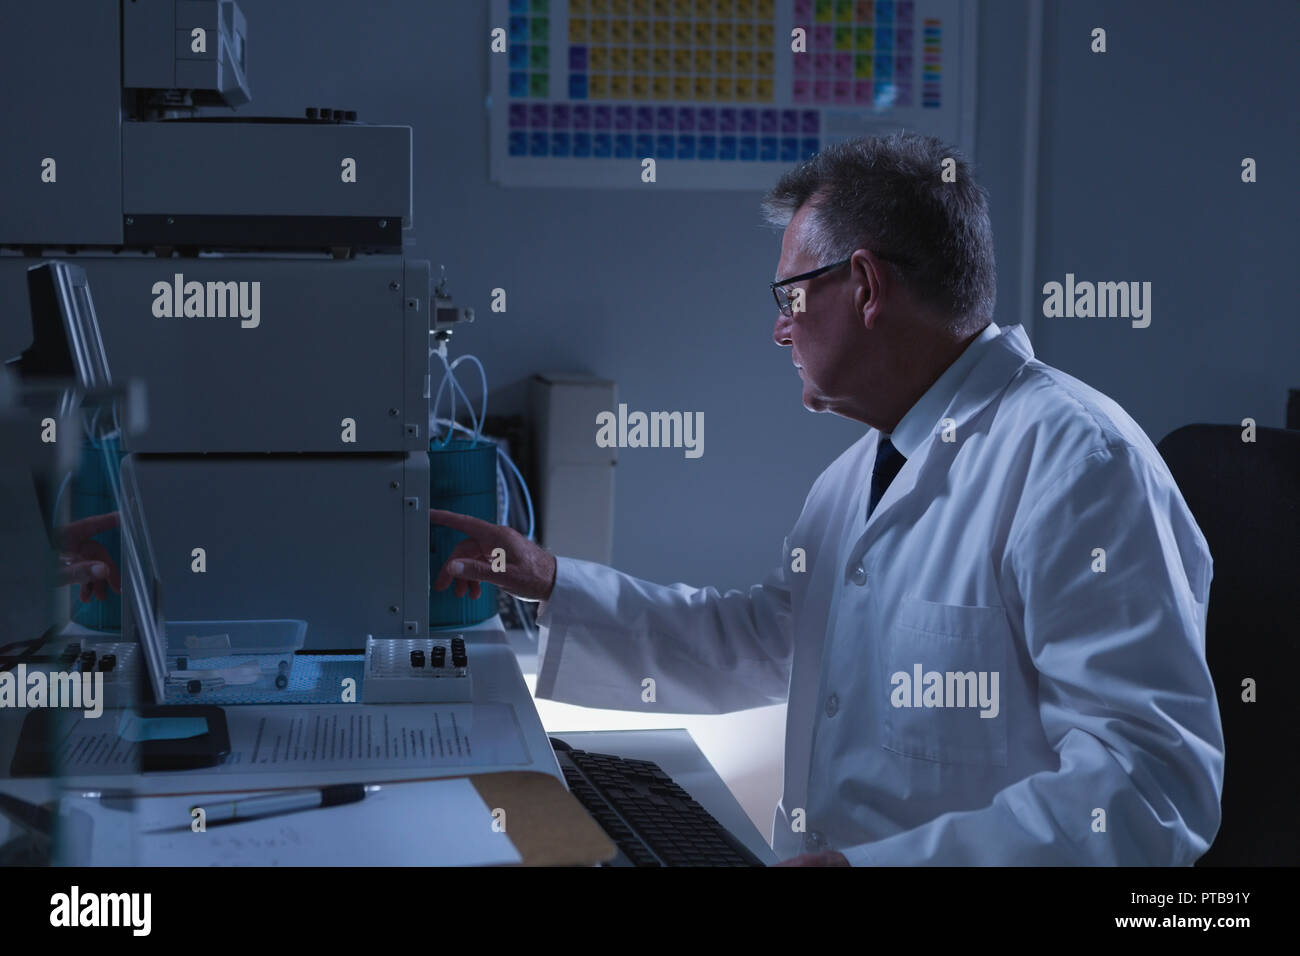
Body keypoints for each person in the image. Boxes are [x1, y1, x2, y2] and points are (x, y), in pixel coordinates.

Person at [432, 132, 1224, 866]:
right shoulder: (860, 473)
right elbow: (770, 640)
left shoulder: (1079, 463)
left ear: (866, 285)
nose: (780, 332)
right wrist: (551, 580)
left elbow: (1149, 790)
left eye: (790, 298)